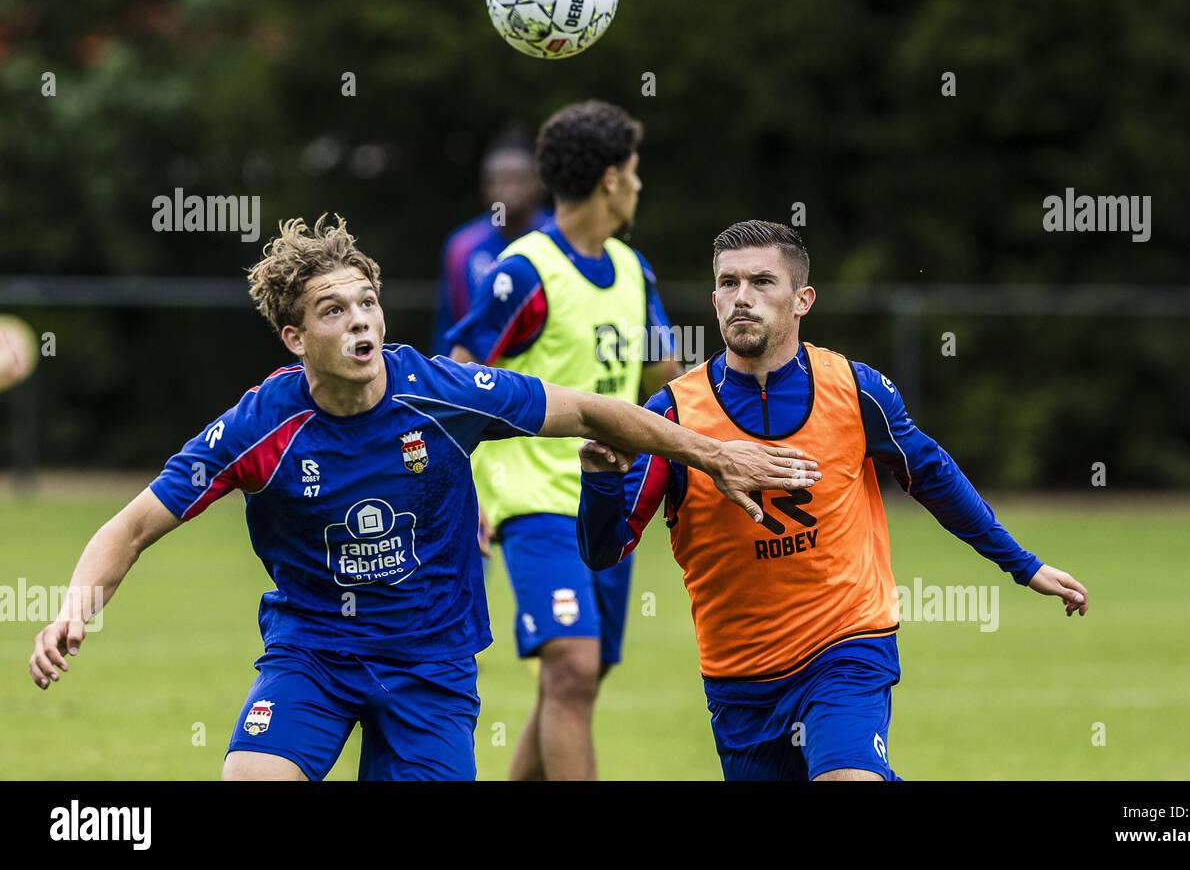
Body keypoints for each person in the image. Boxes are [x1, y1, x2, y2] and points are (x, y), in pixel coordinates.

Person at [26, 213, 818, 782]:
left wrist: (714, 456)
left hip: (430, 667)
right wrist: (74, 608)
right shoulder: (260, 424)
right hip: (313, 654)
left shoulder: (439, 393)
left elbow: (586, 409)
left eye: (366, 302)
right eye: (333, 311)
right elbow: (130, 527)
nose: (360, 321)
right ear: (297, 340)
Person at [576, 220, 1090, 781]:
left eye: (762, 282)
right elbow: (606, 549)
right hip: (740, 678)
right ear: (714, 297)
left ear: (803, 300)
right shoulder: (673, 415)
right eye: (728, 283)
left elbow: (934, 477)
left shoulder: (854, 388)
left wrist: (1024, 565)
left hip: (846, 646)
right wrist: (599, 480)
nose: (742, 298)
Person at [447, 100, 681, 780]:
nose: (640, 186)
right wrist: (461, 491)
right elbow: (457, 378)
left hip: (608, 499)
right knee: (574, 667)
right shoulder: (526, 271)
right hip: (533, 499)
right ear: (611, 178)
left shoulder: (635, 273)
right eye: (635, 172)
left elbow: (670, 382)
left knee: (578, 676)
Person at [431, 131, 552, 358]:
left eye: (518, 179)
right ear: (484, 186)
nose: (508, 189)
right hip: (480, 378)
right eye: (499, 180)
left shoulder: (557, 237)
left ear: (537, 182)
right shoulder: (462, 246)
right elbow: (449, 321)